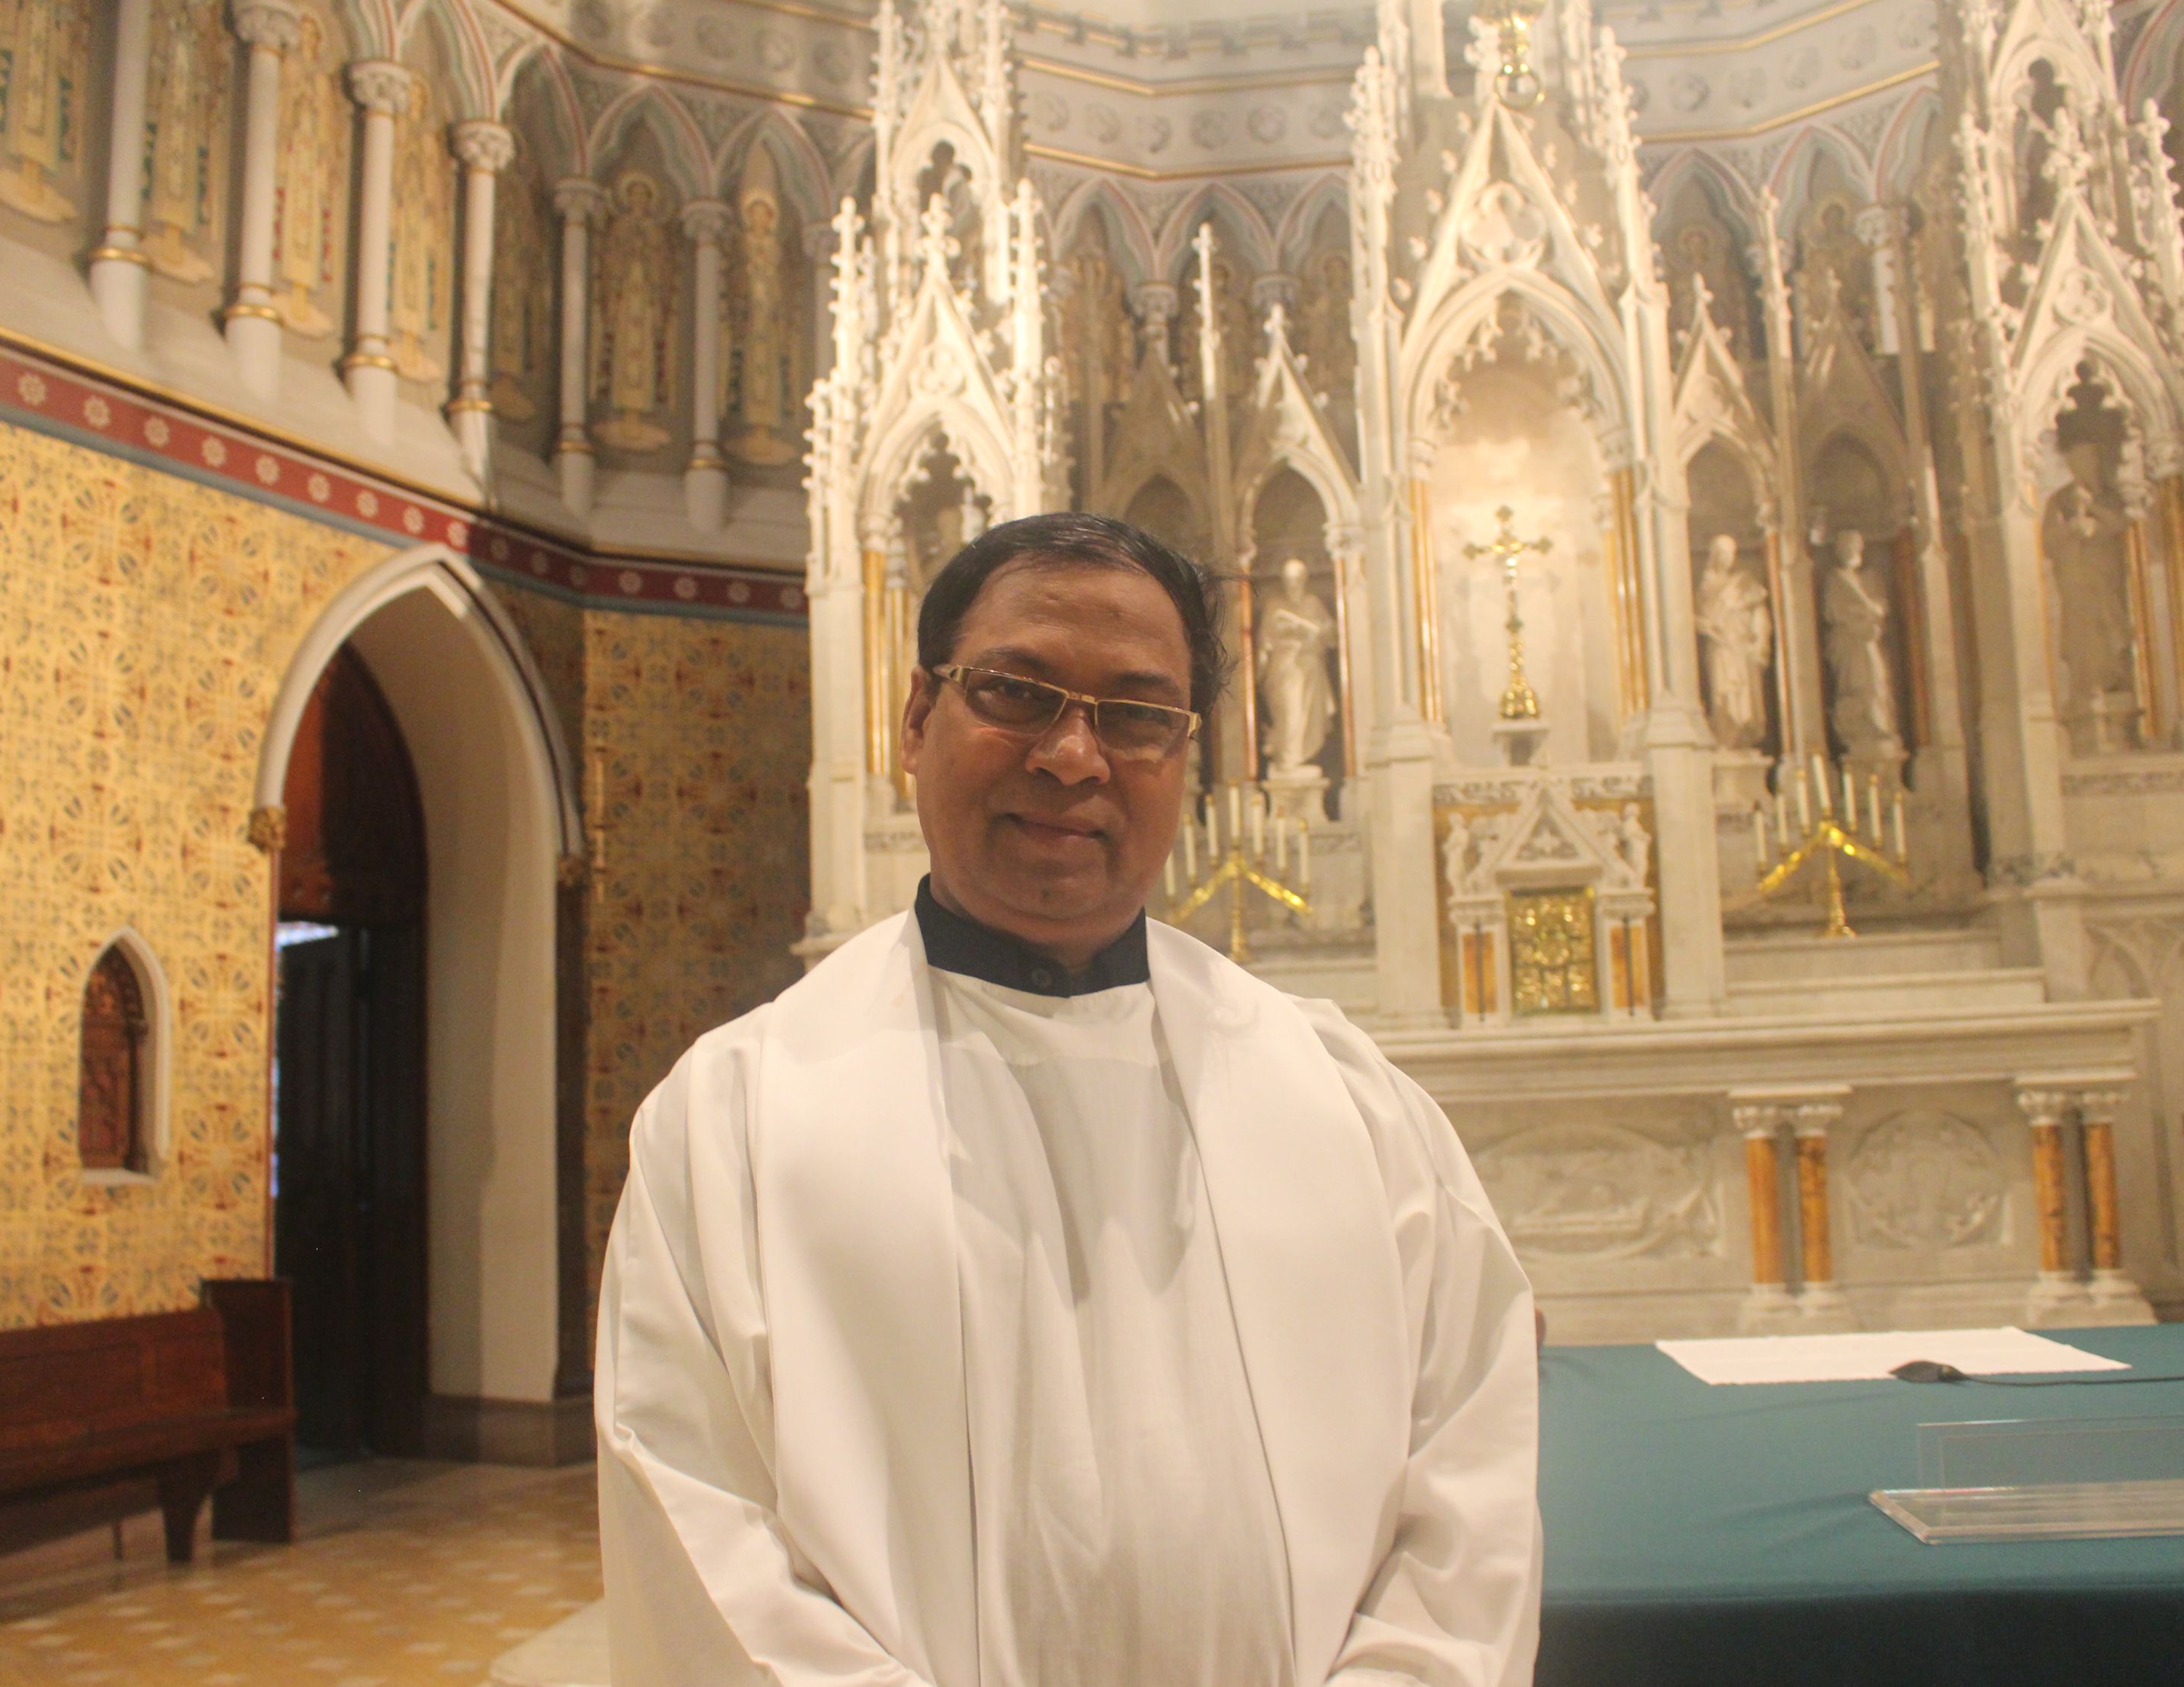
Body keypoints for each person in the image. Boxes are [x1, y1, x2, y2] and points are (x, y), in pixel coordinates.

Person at [596, 512, 1542, 1687]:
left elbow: (1470, 1483)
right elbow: (693, 1516)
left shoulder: (1349, 1106)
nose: (1074, 758)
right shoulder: (734, 1119)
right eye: (1017, 693)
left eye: (1138, 717)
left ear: (1185, 757)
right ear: (913, 719)